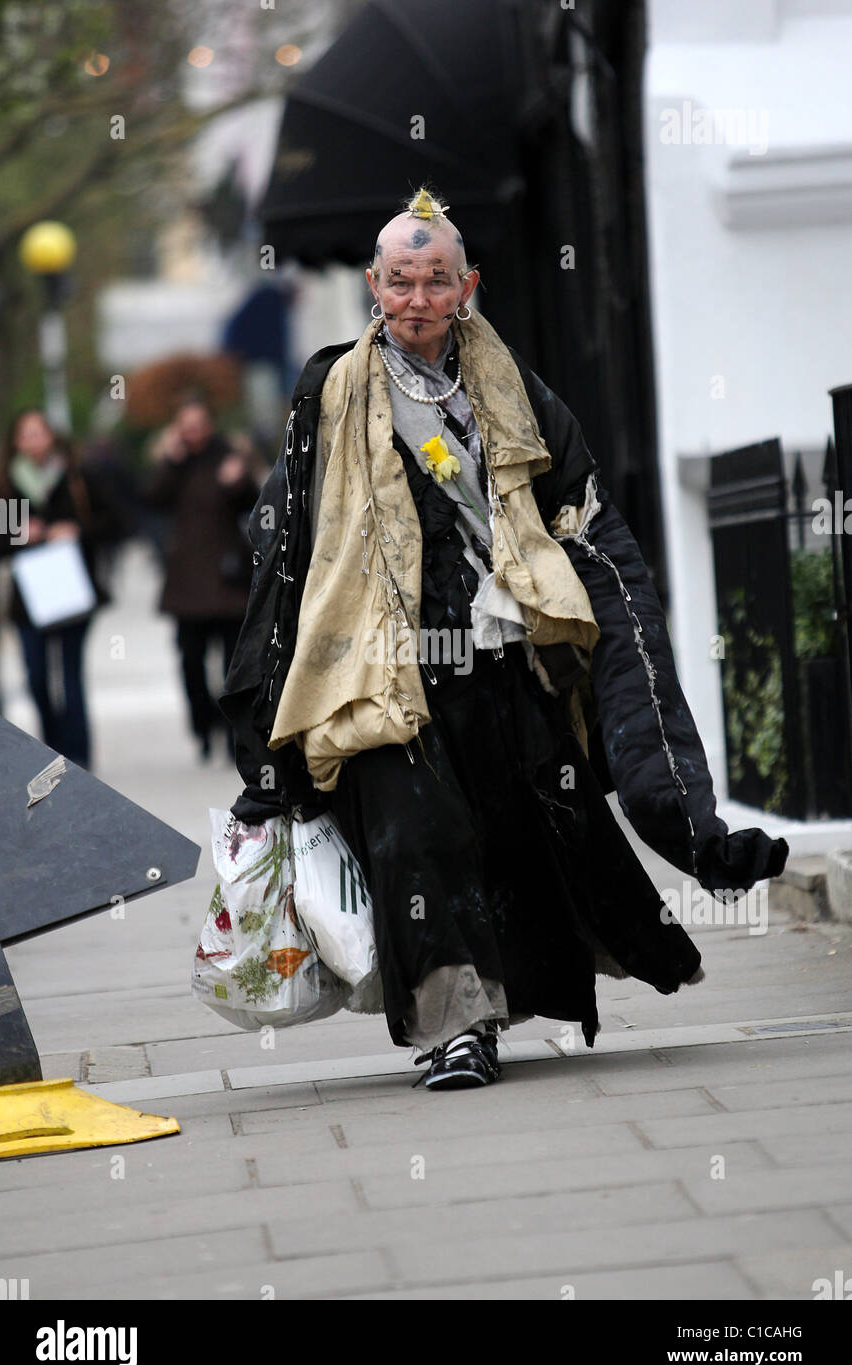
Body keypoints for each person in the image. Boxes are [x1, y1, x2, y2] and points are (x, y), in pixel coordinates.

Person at [219, 188, 789, 1091]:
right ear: (373, 284)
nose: (415, 299)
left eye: (434, 281)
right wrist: (265, 732)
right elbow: (288, 551)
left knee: (509, 834)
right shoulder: (328, 391)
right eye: (398, 281)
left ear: (466, 288)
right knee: (416, 835)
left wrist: (686, 819)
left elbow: (589, 533)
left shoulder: (515, 392)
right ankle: (456, 1031)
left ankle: (493, 1005)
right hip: (377, 667)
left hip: (497, 657)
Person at [0, 408, 122, 769]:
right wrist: (20, 535)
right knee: (37, 678)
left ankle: (78, 757)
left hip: (72, 594)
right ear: (15, 442)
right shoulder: (5, 486)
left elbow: (116, 522)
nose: (33, 441)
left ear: (52, 436)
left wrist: (75, 531)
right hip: (28, 600)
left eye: (39, 432)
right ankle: (52, 749)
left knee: (71, 675)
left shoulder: (78, 478)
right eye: (25, 434)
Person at [145, 394, 262, 760]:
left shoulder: (230, 455)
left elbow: (256, 504)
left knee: (232, 664)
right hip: (187, 582)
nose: (193, 432)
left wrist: (238, 481)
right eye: (186, 426)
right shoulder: (175, 461)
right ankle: (202, 724)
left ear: (209, 425)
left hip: (228, 578)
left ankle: (232, 735)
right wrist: (170, 462)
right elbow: (151, 500)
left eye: (198, 424)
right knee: (190, 661)